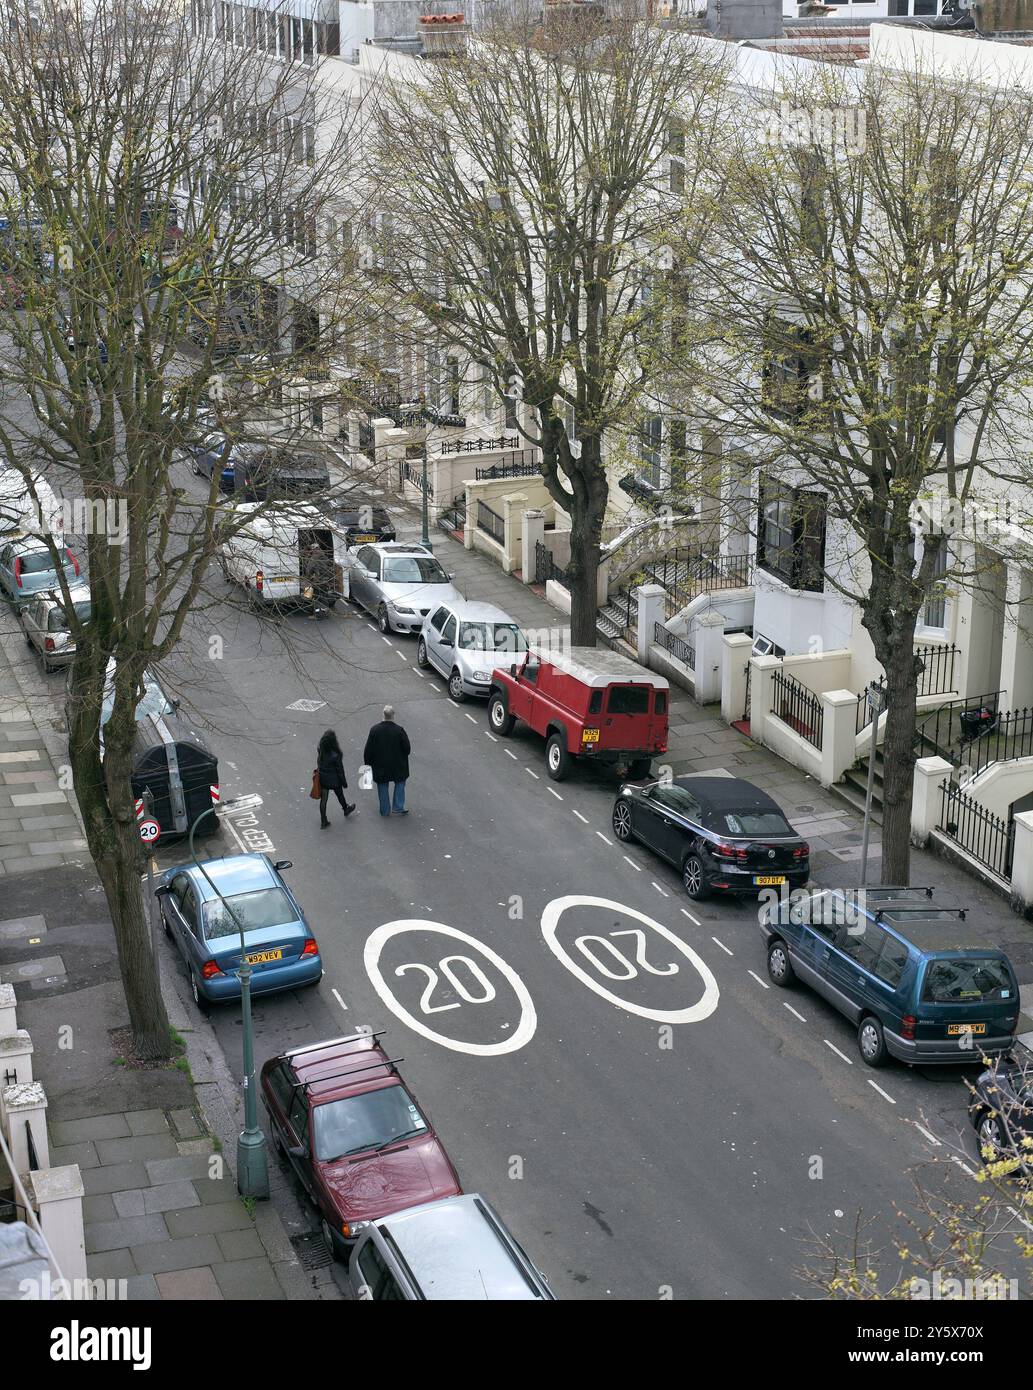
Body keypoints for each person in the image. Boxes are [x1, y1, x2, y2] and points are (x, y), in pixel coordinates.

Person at [363, 705, 411, 817]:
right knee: (400, 783)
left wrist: (367, 764)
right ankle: (398, 807)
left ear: (383, 715)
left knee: (382, 785)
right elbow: (407, 749)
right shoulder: (399, 730)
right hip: (398, 764)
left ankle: (385, 810)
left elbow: (368, 750)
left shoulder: (374, 730)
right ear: (393, 715)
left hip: (380, 765)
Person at [316, 729, 355, 828]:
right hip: (334, 780)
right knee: (340, 794)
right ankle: (346, 809)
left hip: (323, 779)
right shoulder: (336, 754)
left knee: (323, 800)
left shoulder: (320, 749)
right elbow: (340, 770)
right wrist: (344, 782)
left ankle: (323, 820)